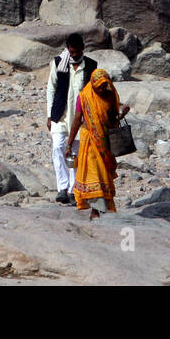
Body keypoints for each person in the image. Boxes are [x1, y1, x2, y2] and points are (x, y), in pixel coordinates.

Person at [65, 68, 130, 218]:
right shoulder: (84, 97)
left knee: (104, 175)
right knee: (95, 174)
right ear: (93, 84)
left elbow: (113, 119)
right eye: (98, 86)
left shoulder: (109, 96)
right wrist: (69, 144)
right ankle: (96, 209)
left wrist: (122, 114)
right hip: (89, 141)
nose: (101, 89)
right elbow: (77, 120)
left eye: (104, 85)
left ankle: (101, 209)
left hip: (105, 141)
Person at [45, 33, 96, 205]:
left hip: (80, 118)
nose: (74, 55)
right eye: (71, 51)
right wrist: (49, 115)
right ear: (68, 49)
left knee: (75, 152)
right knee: (58, 147)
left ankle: (73, 190)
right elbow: (51, 89)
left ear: (83, 48)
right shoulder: (59, 63)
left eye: (76, 51)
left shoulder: (91, 65)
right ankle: (62, 187)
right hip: (60, 114)